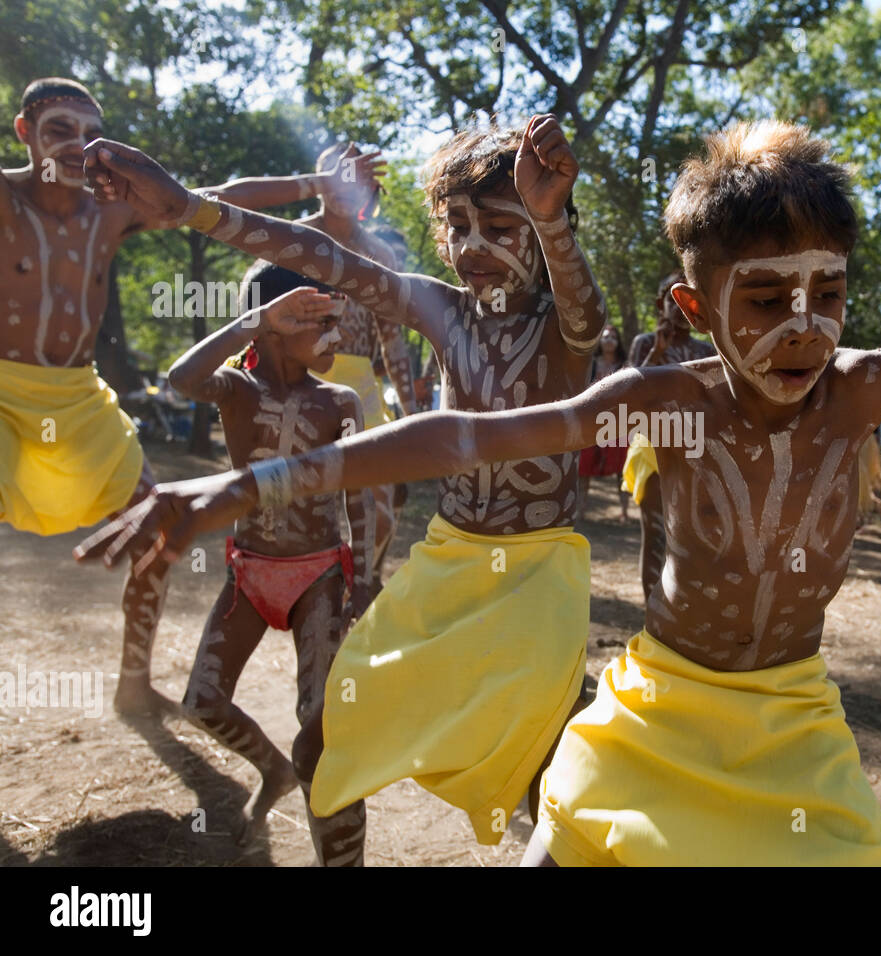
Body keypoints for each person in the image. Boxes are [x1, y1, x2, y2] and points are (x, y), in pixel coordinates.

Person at [76, 119, 881, 865]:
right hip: (652, 705)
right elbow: (451, 426)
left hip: (793, 717)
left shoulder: (870, 387)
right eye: (766, 299)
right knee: (494, 823)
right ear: (696, 307)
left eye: (827, 293)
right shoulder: (670, 402)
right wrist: (243, 474)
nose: (805, 326)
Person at [73, 112, 607, 851]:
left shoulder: (564, 328)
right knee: (321, 752)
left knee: (552, 771)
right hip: (447, 565)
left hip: (537, 579)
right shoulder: (444, 312)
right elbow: (321, 254)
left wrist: (551, 224)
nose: (471, 247)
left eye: (501, 228)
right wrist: (187, 207)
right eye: (456, 225)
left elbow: (588, 314)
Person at [0, 77, 378, 716]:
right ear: (25, 132)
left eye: (91, 135)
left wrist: (319, 186)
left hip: (78, 396)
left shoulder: (111, 209)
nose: (75, 145)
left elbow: (213, 200)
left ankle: (132, 681)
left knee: (157, 521)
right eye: (59, 129)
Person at [167, 264, 371, 863]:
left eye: (338, 323)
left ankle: (341, 858)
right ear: (275, 327)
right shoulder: (237, 390)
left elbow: (360, 493)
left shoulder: (340, 401)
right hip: (249, 574)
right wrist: (251, 322)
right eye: (322, 324)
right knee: (201, 702)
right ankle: (272, 770)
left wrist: (367, 575)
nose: (337, 338)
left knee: (320, 724)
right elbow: (182, 377)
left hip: (320, 580)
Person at [297, 141, 416, 593]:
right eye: (337, 174)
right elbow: (259, 320)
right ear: (319, 183)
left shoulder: (380, 257)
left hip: (362, 389)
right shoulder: (291, 240)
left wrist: (414, 416)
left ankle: (357, 585)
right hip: (301, 383)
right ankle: (316, 592)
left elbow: (393, 343)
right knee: (301, 507)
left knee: (380, 508)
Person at [622, 271, 718, 602]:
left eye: (686, 301)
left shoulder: (705, 349)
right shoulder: (645, 344)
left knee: (695, 535)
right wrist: (656, 356)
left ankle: (686, 608)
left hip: (698, 451)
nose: (678, 308)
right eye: (670, 299)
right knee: (657, 532)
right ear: (660, 304)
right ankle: (653, 610)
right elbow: (627, 393)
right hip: (653, 448)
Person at [575, 324, 628, 521]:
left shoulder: (625, 365)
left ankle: (624, 511)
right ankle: (580, 511)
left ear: (618, 341)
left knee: (622, 469)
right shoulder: (590, 363)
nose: (609, 338)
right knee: (584, 468)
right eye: (606, 335)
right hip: (591, 423)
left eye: (613, 335)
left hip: (619, 423)